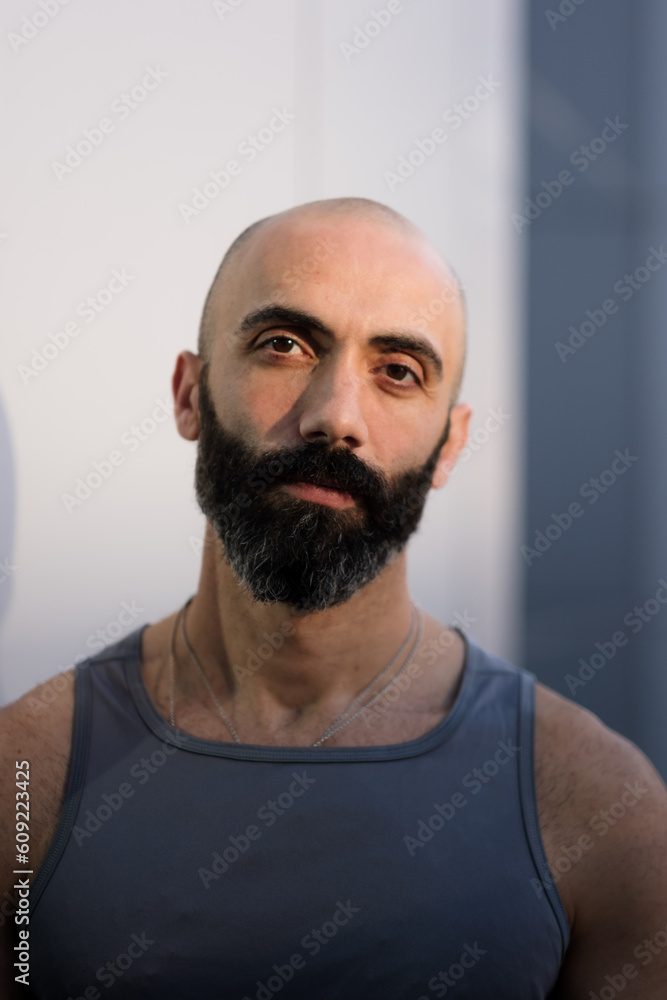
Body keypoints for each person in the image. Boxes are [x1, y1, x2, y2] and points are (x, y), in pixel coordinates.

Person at [1, 197, 666, 999]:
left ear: (449, 445)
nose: (334, 418)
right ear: (188, 394)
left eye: (397, 372)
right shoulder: (25, 773)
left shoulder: (597, 804)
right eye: (283, 346)